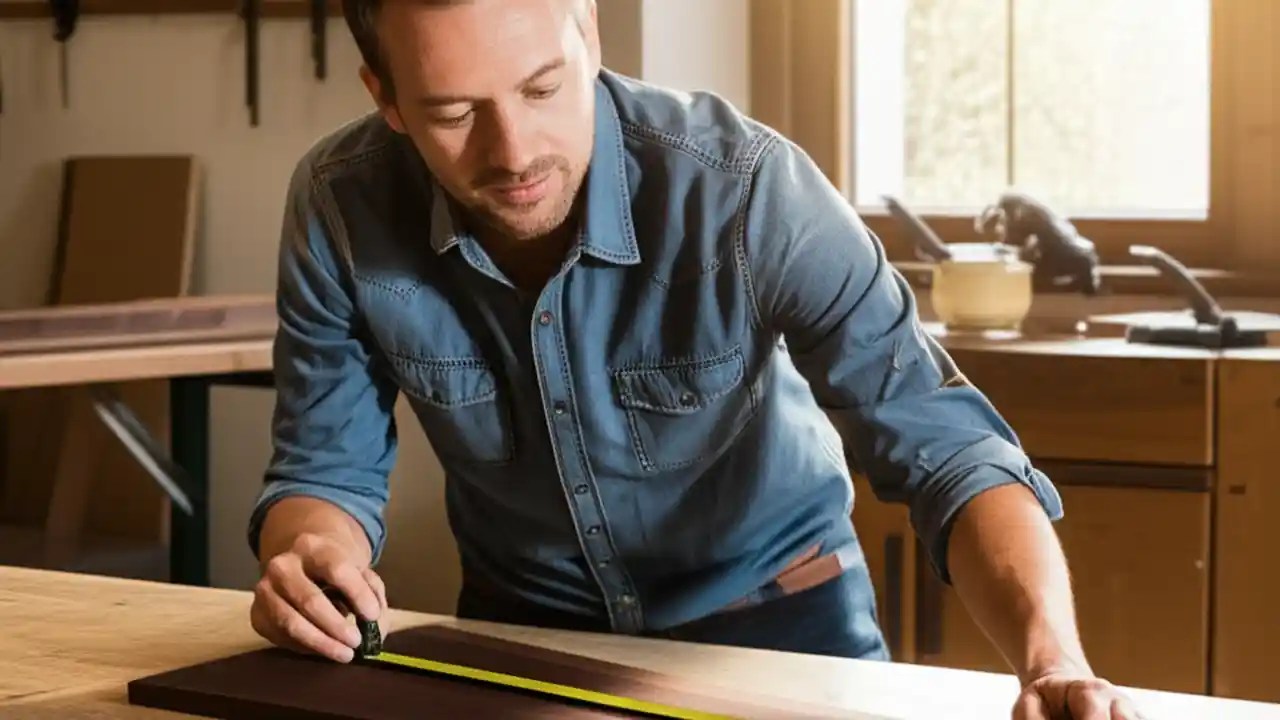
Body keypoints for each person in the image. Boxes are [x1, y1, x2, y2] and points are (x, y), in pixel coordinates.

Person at [247, 1, 1140, 717]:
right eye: (452, 112)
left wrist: (1051, 657)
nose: (512, 152)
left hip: (787, 635)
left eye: (542, 88)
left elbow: (947, 446)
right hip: (522, 648)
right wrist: (312, 562)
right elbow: (324, 465)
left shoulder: (749, 190)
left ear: (588, 31)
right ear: (386, 97)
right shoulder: (339, 206)